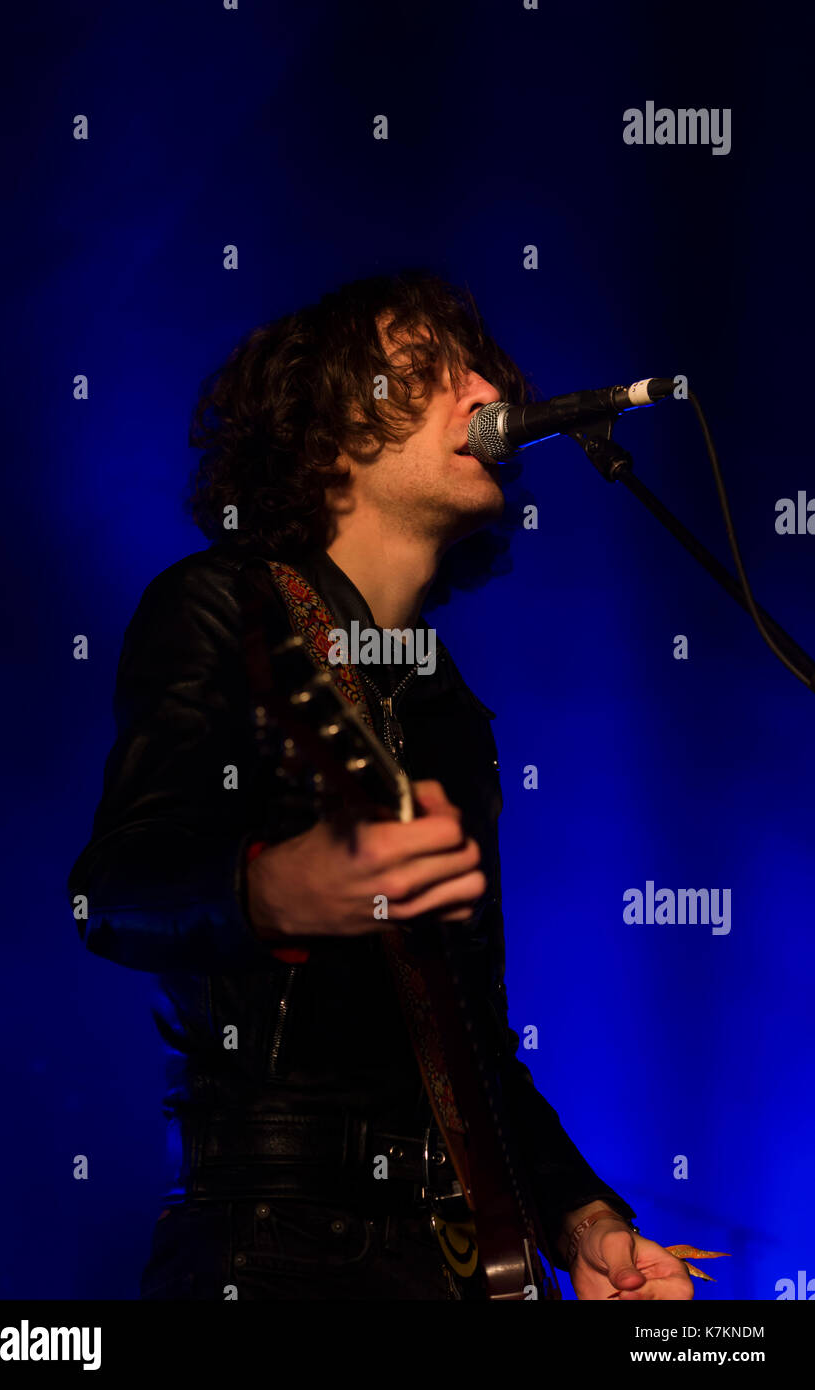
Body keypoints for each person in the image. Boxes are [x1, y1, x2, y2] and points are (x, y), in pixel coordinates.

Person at [68, 270, 694, 1301]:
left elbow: (469, 1037)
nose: (484, 387)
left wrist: (582, 1217)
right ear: (326, 429)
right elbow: (112, 889)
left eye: (481, 367)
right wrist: (272, 888)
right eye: (423, 370)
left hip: (459, 1259)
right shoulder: (220, 606)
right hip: (281, 1246)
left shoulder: (447, 705)